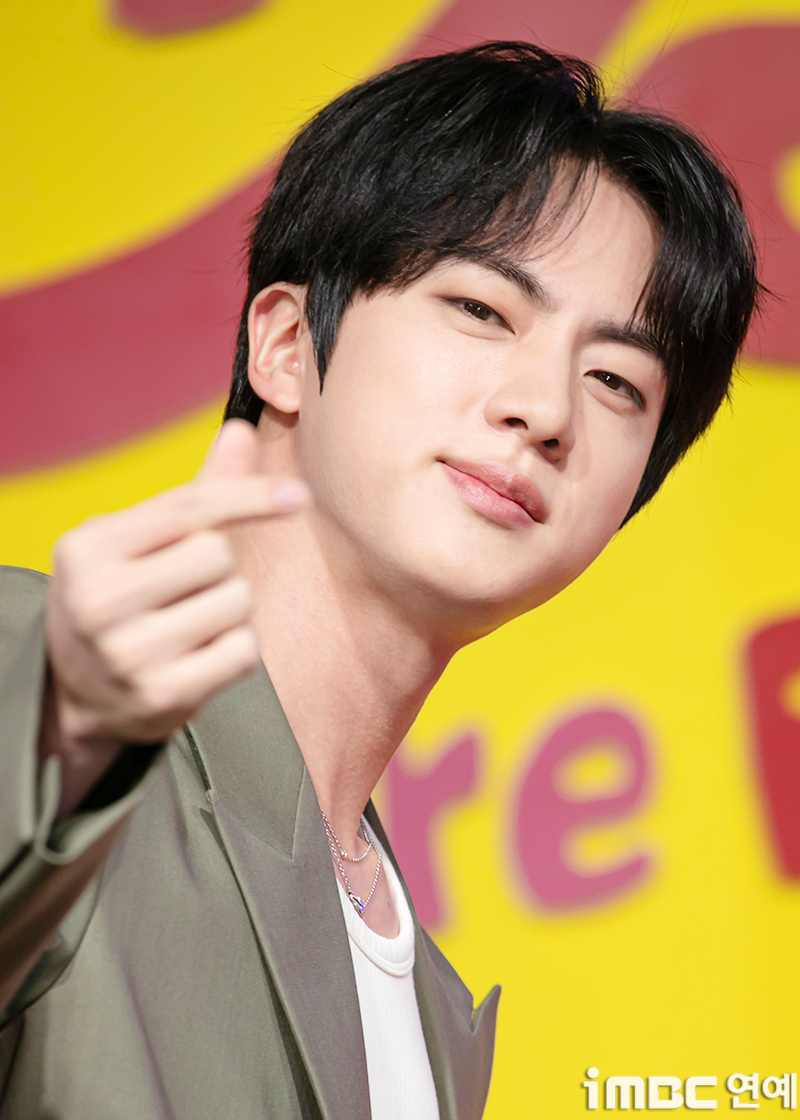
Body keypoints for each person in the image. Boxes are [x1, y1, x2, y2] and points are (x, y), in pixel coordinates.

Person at [0, 41, 758, 1120]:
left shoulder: (433, 1011)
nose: (545, 409)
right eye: (482, 310)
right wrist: (47, 752)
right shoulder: (37, 679)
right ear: (285, 345)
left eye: (614, 380)